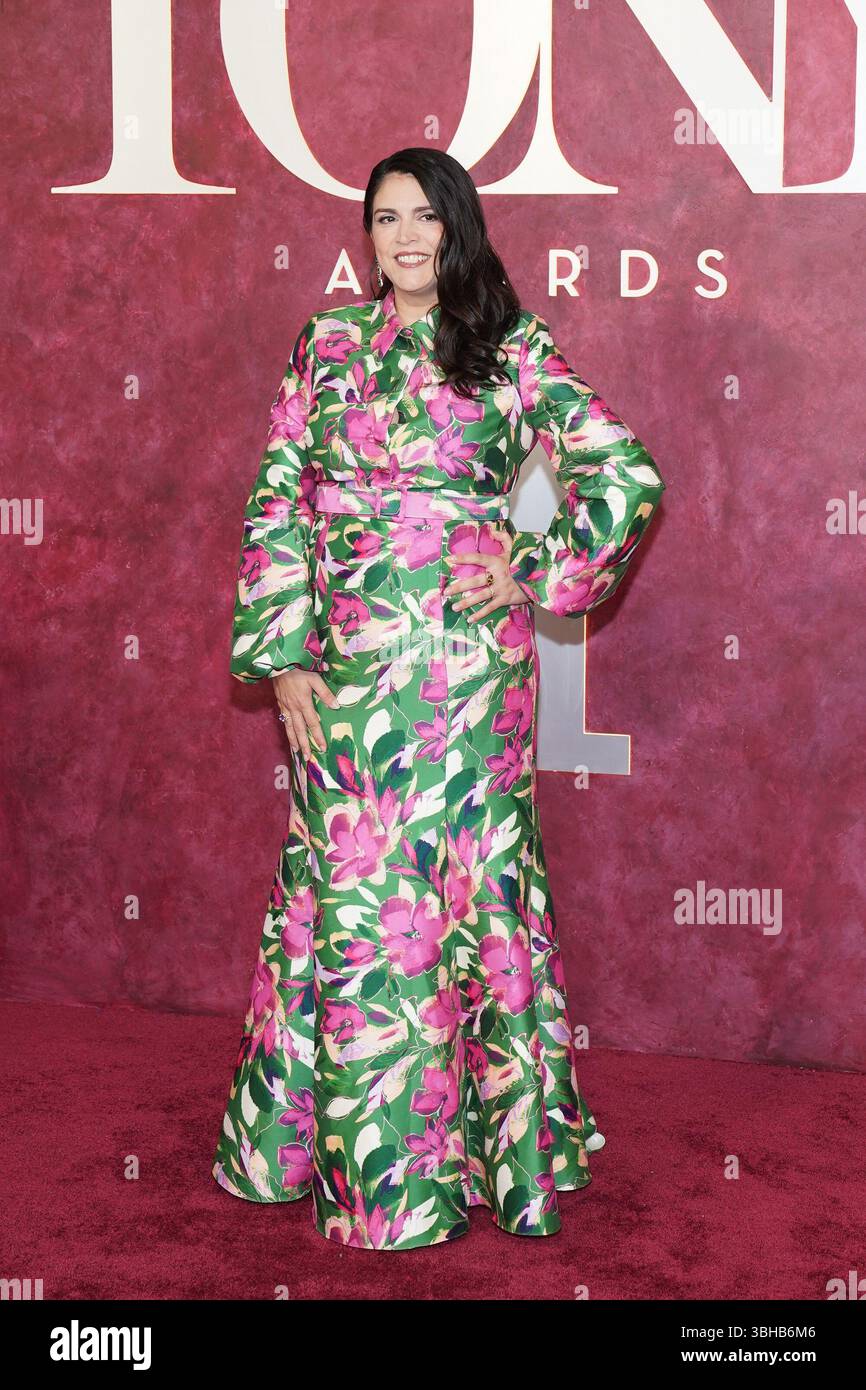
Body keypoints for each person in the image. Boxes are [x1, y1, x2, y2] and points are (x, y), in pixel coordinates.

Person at [212, 148, 666, 1251]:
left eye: (422, 216)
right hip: (347, 672)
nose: (402, 237)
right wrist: (281, 658)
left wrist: (531, 565)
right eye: (382, 220)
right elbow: (279, 500)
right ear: (363, 237)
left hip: (465, 680)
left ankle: (477, 1157)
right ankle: (343, 1156)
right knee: (350, 893)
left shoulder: (509, 347)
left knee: (464, 888)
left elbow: (624, 472)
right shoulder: (323, 344)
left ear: (455, 225)